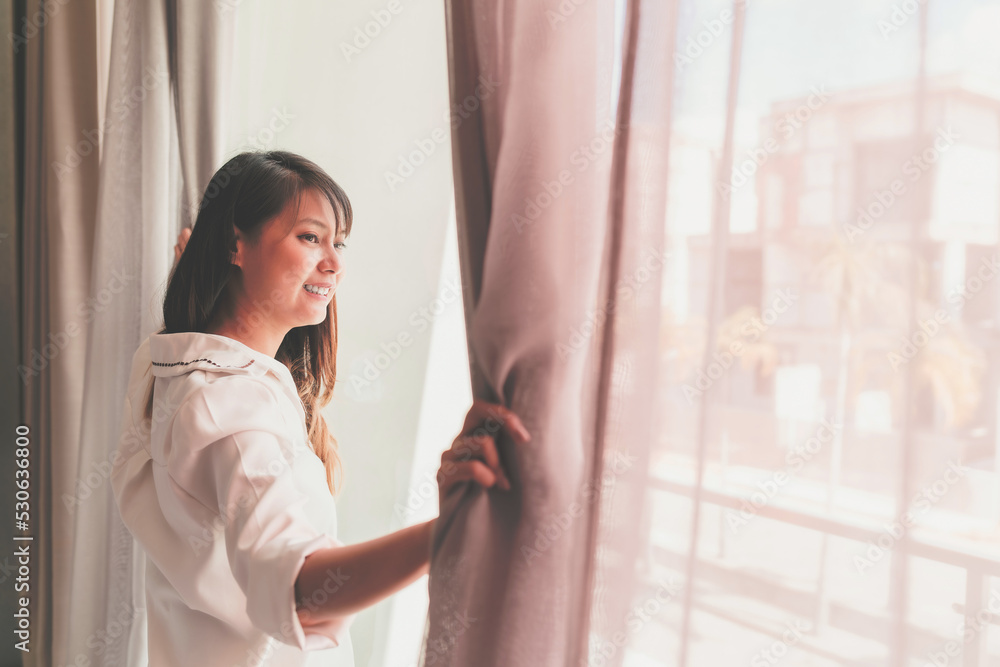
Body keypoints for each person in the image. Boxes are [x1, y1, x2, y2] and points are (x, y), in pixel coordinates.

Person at [111, 150, 531, 666]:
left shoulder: (165, 365)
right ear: (233, 244)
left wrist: (196, 262)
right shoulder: (233, 412)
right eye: (310, 237)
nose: (334, 263)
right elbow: (299, 596)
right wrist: (443, 534)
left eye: (339, 242)